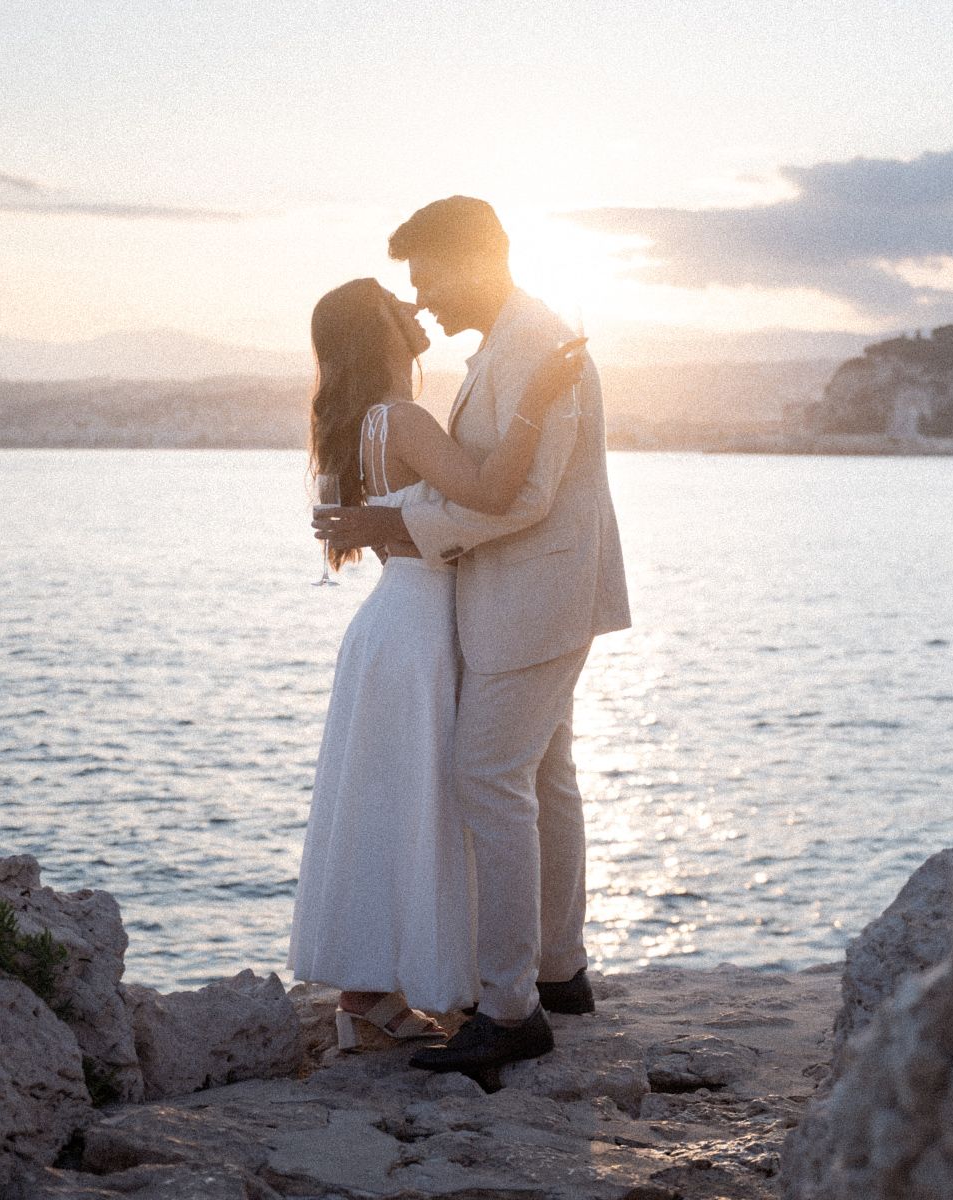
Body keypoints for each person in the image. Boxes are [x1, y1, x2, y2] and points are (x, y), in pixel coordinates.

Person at [314, 197, 630, 1074]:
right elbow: (484, 483)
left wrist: (392, 522)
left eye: (429, 275)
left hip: (533, 594)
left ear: (475, 261)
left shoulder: (533, 343)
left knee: (489, 776)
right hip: (527, 594)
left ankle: (509, 1006)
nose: (423, 299)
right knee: (547, 775)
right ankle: (559, 971)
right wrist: (388, 516)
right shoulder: (507, 344)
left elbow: (519, 498)